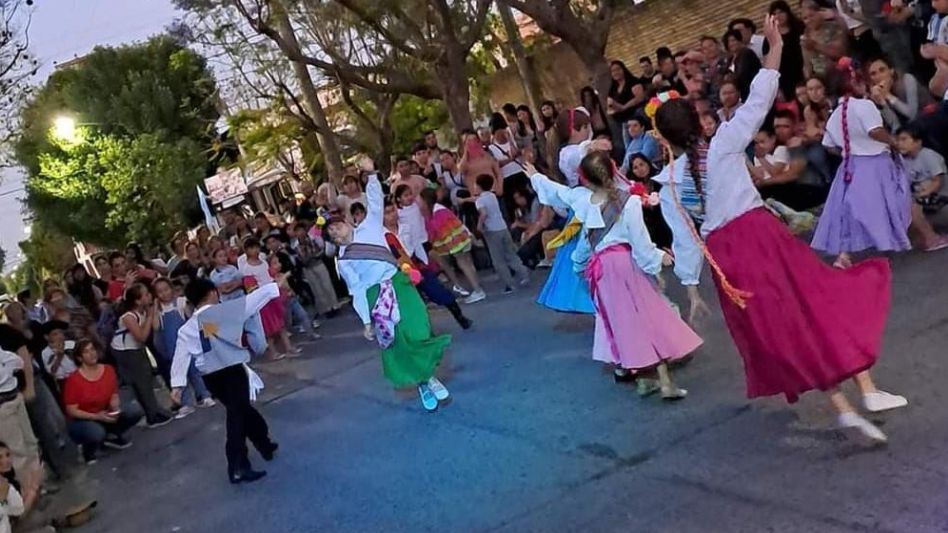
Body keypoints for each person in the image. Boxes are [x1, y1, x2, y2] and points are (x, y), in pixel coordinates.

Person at [654, 15, 905, 442]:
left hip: (727, 261)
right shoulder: (725, 142)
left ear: (667, 140)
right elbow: (761, 95)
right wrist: (773, 46)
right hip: (757, 236)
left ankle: (844, 405)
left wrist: (692, 287)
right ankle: (866, 387)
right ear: (699, 122)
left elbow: (685, 238)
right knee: (819, 300)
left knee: (789, 328)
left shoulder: (668, 184)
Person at [528, 151, 700, 398]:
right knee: (649, 318)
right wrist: (656, 261)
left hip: (602, 271)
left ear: (584, 179)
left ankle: (642, 378)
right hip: (626, 264)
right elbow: (640, 242)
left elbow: (557, 191)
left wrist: (535, 177)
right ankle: (664, 383)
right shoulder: (628, 201)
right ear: (612, 171)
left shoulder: (582, 199)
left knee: (623, 324)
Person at [324, 161, 451, 412]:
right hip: (375, 296)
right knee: (399, 341)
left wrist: (371, 173)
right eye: (333, 235)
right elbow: (356, 290)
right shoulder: (344, 260)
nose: (339, 233)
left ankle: (427, 375)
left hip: (399, 284)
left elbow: (375, 200)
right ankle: (423, 382)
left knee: (418, 330)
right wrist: (366, 321)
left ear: (347, 222)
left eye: (338, 227)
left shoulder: (370, 226)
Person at [170, 277, 281, 483]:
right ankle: (238, 464)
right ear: (212, 293)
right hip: (231, 369)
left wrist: (177, 385)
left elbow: (180, 356)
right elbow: (252, 301)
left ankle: (263, 442)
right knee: (237, 415)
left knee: (241, 410)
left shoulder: (187, 328)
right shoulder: (222, 312)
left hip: (211, 377)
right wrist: (274, 287)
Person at [811, 57, 912, 268]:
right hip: (875, 164)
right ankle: (888, 243)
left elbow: (828, 145)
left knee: (847, 210)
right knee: (881, 205)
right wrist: (893, 142)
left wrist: (848, 150)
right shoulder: (865, 106)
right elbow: (874, 131)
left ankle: (844, 254)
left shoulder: (835, 114)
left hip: (849, 166)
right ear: (856, 82)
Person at [382, 198, 473, 330]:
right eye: (387, 213)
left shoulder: (406, 227)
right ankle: (424, 331)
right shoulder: (382, 235)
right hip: (398, 271)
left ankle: (460, 317)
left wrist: (424, 262)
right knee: (414, 304)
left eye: (393, 210)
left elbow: (417, 245)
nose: (392, 215)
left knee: (439, 291)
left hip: (416, 265)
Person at [62, 340, 143, 463]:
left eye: (92, 349)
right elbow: (71, 410)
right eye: (86, 352)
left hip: (105, 413)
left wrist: (115, 405)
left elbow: (113, 393)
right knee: (96, 432)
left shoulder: (108, 370)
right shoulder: (74, 380)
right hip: (84, 419)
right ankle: (88, 452)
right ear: (80, 358)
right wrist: (96, 416)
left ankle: (113, 435)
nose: (92, 354)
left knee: (135, 410)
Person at [152, 278, 215, 420]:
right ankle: (185, 403)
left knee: (195, 372)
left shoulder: (180, 302)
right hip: (172, 348)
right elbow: (156, 327)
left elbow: (190, 317)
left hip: (188, 344)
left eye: (166, 289)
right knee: (180, 375)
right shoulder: (159, 311)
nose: (164, 294)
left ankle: (204, 395)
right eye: (160, 292)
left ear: (171, 289)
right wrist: (155, 308)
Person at [111, 284, 173, 427]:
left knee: (146, 378)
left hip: (136, 349)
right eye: (145, 295)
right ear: (137, 301)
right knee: (141, 381)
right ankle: (152, 415)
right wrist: (150, 316)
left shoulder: (143, 312)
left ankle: (154, 410)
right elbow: (141, 336)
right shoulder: (129, 316)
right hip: (127, 351)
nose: (149, 296)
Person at [418, 188, 486, 303]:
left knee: (464, 263)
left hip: (456, 242)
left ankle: (478, 290)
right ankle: (477, 288)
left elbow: (439, 230)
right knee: (467, 263)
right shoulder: (438, 209)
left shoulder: (437, 212)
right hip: (461, 239)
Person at [238, 238, 294, 360]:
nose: (255, 250)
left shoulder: (263, 262)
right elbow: (250, 286)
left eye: (257, 247)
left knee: (280, 323)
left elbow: (270, 274)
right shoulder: (246, 268)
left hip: (272, 295)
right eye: (252, 248)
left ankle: (289, 347)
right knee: (268, 328)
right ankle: (273, 352)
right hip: (261, 300)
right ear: (246, 250)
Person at [475, 174, 530, 294]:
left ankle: (510, 284)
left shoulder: (480, 201)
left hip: (491, 230)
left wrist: (479, 226)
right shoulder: (493, 196)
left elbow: (483, 213)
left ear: (479, 186)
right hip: (503, 227)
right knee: (510, 254)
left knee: (498, 260)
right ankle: (524, 273)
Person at [896, 125, 948, 250]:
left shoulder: (928, 156)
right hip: (921, 194)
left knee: (912, 207)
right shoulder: (903, 160)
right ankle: (920, 236)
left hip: (938, 192)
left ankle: (932, 239)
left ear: (918, 142)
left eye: (904, 140)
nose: (899, 144)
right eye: (898, 140)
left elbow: (937, 182)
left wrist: (920, 195)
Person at [867, 57, 935, 131]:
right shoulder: (878, 92)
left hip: (931, 118)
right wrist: (881, 103)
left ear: (891, 71)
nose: (878, 76)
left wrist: (888, 95)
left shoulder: (907, 80)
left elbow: (912, 115)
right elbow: (895, 125)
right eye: (873, 74)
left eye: (882, 70)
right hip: (912, 130)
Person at [628, 153, 674, 249]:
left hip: (666, 223)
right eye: (635, 167)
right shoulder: (633, 188)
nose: (640, 169)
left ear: (648, 163)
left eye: (642, 164)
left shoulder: (660, 180)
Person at [766, 1, 806, 101]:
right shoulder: (770, 37)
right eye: (774, 14)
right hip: (783, 80)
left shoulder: (800, 28)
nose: (778, 16)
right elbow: (768, 64)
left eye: (780, 12)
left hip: (804, 74)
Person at [607, 60, 646, 145]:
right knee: (628, 145)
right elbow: (610, 106)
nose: (616, 72)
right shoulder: (613, 88)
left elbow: (639, 98)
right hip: (622, 121)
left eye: (618, 69)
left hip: (636, 117)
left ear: (623, 69)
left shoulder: (633, 81)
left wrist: (624, 107)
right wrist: (614, 108)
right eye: (613, 71)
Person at [724, 28, 763, 100]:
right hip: (738, 94)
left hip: (751, 92)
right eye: (728, 41)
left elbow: (744, 74)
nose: (731, 44)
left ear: (739, 40)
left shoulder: (746, 53)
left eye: (733, 40)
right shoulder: (730, 59)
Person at [40, 320, 77, 385]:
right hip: (63, 381)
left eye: (61, 333)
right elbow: (52, 372)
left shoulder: (71, 344)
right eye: (55, 334)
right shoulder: (45, 352)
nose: (60, 336)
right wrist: (59, 357)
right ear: (46, 337)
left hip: (78, 375)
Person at [0, 442, 25, 533]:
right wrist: (2, 501)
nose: (6, 460)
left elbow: (19, 509)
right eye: (0, 457)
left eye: (7, 455)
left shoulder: (7, 484)